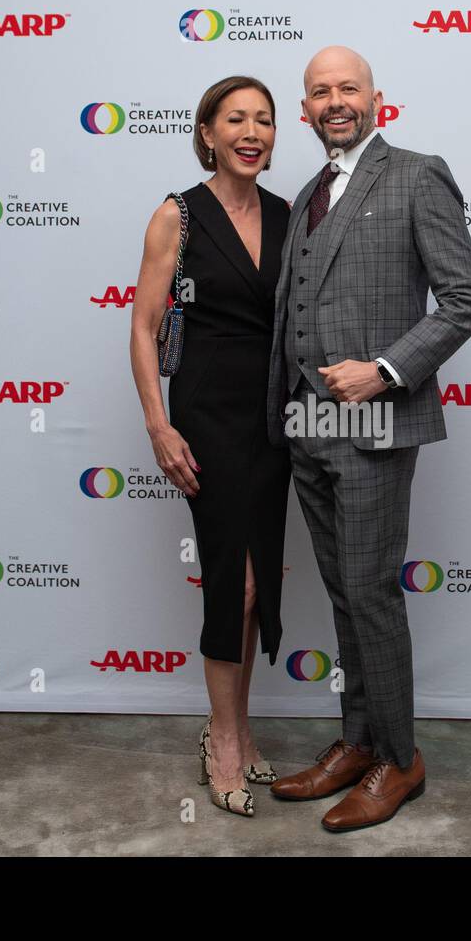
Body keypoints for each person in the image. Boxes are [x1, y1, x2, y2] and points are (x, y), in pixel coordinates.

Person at [265, 46, 471, 830]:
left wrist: (387, 370)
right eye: (320, 91)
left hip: (374, 422)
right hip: (307, 424)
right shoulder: (306, 193)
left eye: (347, 88)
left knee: (370, 593)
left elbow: (465, 300)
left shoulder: (418, 174)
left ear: (376, 99)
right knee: (342, 592)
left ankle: (400, 758)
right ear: (305, 110)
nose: (335, 101)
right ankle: (358, 741)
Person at [130, 76, 292, 817]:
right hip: (206, 416)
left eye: (263, 119)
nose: (251, 131)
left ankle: (238, 726)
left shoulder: (289, 216)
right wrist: (159, 425)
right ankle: (223, 741)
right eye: (236, 119)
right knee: (237, 580)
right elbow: (143, 327)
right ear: (207, 132)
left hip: (272, 420)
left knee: (259, 580)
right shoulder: (178, 215)